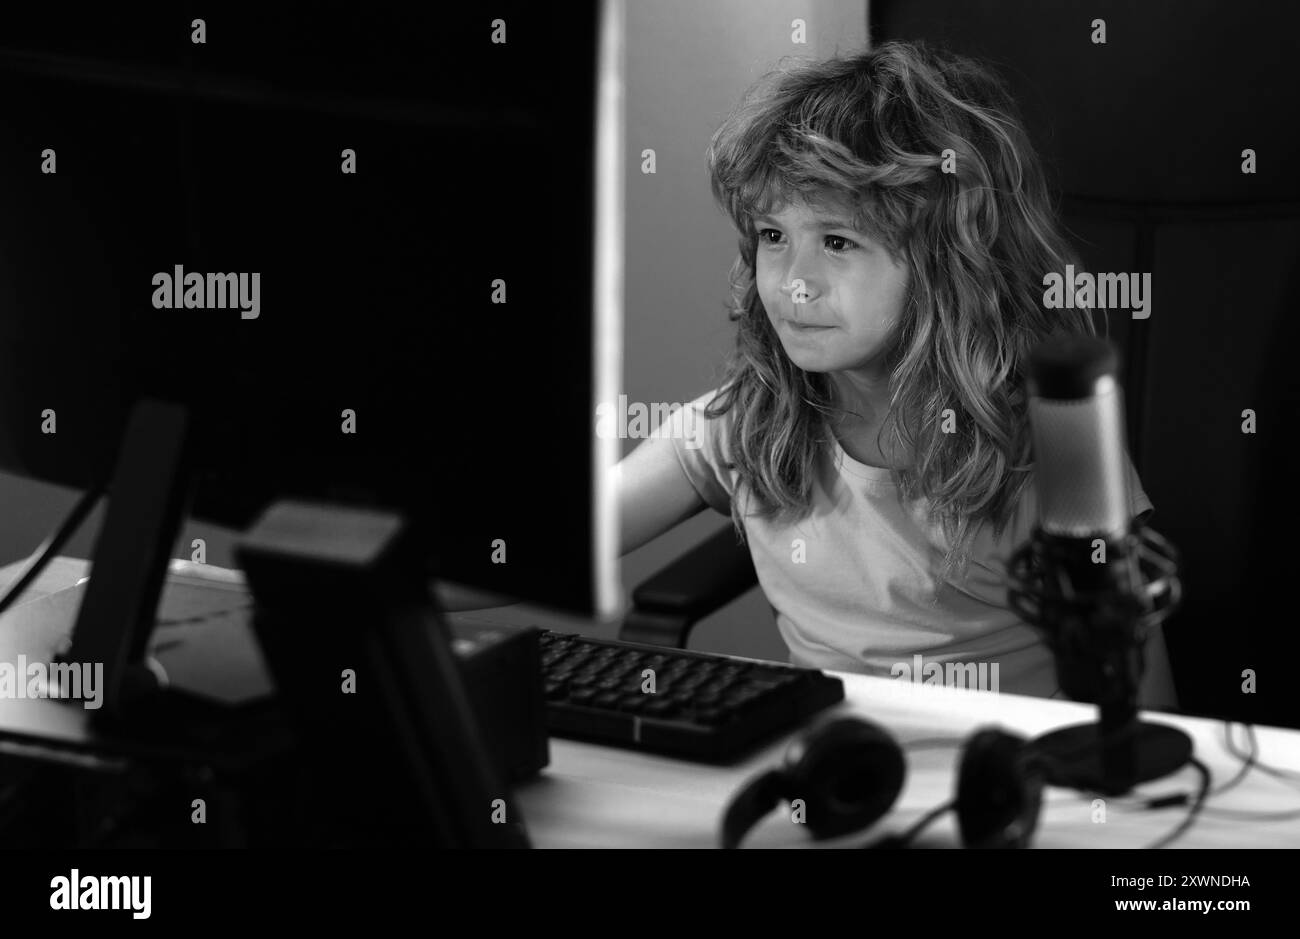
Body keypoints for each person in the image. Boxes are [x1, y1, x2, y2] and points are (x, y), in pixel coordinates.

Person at [616, 41, 1178, 707]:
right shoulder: (747, 420)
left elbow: (1147, 716)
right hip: (842, 775)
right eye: (773, 236)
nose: (794, 284)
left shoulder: (1048, 451)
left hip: (1006, 784)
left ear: (945, 264)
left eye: (838, 241)